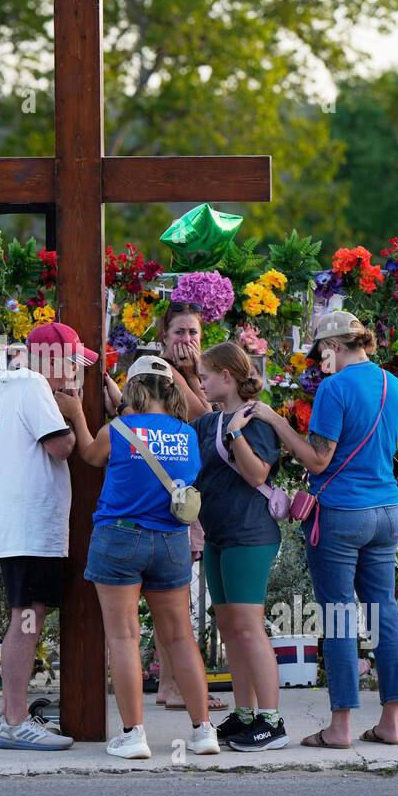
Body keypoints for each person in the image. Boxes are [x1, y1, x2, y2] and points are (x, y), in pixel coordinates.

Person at [248, 312, 398, 747]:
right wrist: (397, 469)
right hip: (385, 513)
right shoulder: (390, 384)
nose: (320, 360)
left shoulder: (334, 388)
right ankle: (390, 723)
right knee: (383, 614)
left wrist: (278, 423)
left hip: (340, 514)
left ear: (336, 346)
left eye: (321, 351)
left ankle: (340, 727)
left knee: (339, 615)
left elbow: (319, 459)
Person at [56, 355, 220, 759]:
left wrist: (77, 414)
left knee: (125, 636)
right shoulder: (186, 435)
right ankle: (203, 731)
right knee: (181, 637)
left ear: (136, 391)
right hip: (171, 541)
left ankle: (134, 735)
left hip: (121, 537)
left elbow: (92, 455)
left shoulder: (120, 429)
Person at [0, 321, 96, 751]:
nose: (75, 375)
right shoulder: (31, 385)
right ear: (51, 360)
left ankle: (9, 714)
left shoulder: (9, 382)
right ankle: (14, 720)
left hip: (21, 526)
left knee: (27, 618)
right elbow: (63, 446)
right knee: (27, 621)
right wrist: (74, 410)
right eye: (72, 364)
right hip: (31, 529)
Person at [192, 342, 289, 751]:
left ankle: (272, 721)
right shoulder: (205, 422)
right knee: (230, 627)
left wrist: (235, 434)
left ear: (227, 377)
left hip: (250, 534)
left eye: (206, 376)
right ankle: (246, 713)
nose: (201, 382)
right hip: (219, 534)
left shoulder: (255, 420)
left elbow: (256, 473)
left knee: (249, 627)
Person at [140, 301, 224, 712]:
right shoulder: (162, 372)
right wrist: (191, 373)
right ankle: (174, 685)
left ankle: (169, 683)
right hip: (167, 496)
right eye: (179, 333)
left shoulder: (193, 373)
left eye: (193, 333)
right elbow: (204, 415)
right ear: (164, 337)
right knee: (172, 599)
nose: (187, 341)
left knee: (172, 598)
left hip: (186, 493)